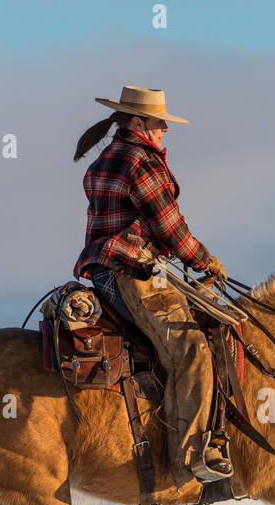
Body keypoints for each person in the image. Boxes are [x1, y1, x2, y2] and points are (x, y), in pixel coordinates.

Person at [71, 85, 232, 484]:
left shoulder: (105, 160)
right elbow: (169, 227)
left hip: (106, 273)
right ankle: (194, 457)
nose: (165, 129)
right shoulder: (139, 162)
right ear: (139, 123)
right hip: (133, 273)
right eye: (160, 122)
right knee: (191, 349)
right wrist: (203, 259)